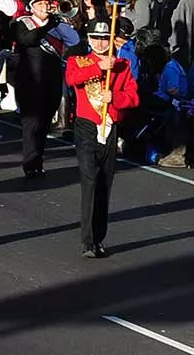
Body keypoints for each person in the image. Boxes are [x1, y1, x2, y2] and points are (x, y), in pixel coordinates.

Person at [66, 18, 141, 257]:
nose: (99, 43)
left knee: (105, 183)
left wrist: (115, 98)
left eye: (103, 38)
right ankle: (88, 240)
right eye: (95, 38)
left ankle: (98, 238)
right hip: (86, 126)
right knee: (90, 179)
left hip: (110, 127)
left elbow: (134, 97)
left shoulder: (123, 65)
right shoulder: (78, 61)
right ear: (88, 39)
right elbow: (73, 79)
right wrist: (100, 67)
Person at [11, 0, 73, 180]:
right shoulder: (21, 23)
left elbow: (74, 40)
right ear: (32, 7)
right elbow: (27, 39)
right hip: (29, 82)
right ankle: (30, 164)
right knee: (32, 124)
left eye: (46, 3)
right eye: (40, 4)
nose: (45, 7)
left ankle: (38, 161)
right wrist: (47, 26)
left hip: (51, 80)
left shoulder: (55, 25)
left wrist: (60, 24)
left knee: (44, 124)